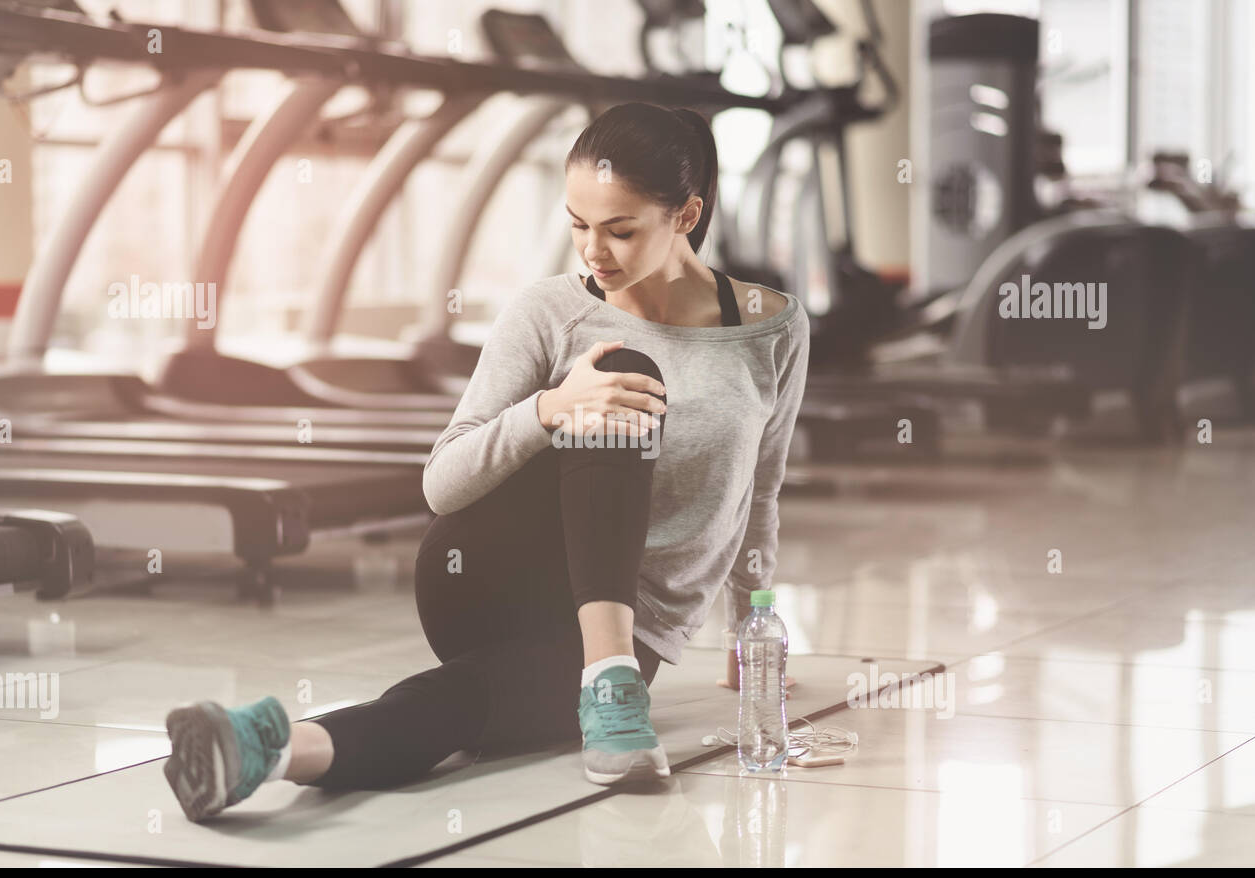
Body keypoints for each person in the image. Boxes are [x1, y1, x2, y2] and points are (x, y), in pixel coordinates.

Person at [162, 102, 809, 822]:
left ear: (686, 216)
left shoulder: (771, 326)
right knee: (619, 373)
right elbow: (444, 481)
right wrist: (550, 408)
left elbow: (762, 488)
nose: (593, 251)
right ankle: (611, 683)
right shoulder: (547, 312)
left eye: (619, 229)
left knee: (463, 708)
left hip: (636, 620)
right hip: (487, 572)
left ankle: (259, 748)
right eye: (578, 225)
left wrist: (750, 632)